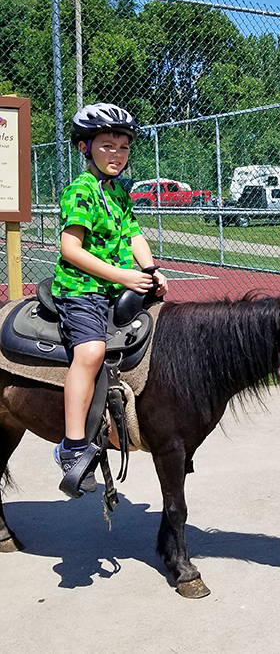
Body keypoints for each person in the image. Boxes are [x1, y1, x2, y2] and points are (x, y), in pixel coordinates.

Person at [52, 103, 168, 493]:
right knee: (90, 352)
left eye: (123, 146)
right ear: (85, 148)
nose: (116, 154)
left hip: (118, 287)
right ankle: (72, 445)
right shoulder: (80, 190)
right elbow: (71, 249)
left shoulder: (119, 190)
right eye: (106, 145)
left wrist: (150, 272)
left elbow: (135, 234)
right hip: (82, 290)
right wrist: (122, 275)